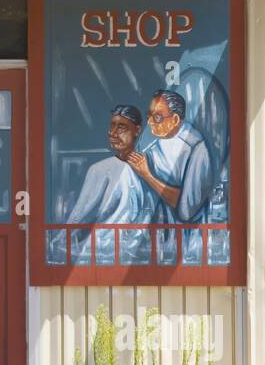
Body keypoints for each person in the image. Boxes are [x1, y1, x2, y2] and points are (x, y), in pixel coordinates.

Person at [126, 89, 216, 264]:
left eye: (157, 117)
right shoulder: (151, 148)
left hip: (191, 246)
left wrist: (147, 175)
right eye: (149, 116)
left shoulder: (196, 148)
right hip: (157, 244)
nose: (150, 123)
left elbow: (186, 209)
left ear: (175, 120)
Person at [65, 105, 155, 264]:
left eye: (121, 127)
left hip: (140, 256)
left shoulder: (150, 168)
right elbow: (79, 216)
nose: (112, 133)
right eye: (111, 126)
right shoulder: (100, 170)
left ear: (137, 130)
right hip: (103, 256)